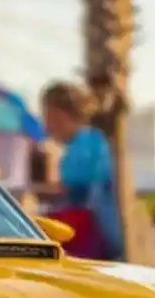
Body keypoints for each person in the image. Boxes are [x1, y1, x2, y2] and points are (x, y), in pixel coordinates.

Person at [40, 81, 123, 260]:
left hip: (99, 241)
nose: (45, 123)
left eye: (46, 114)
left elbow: (76, 193)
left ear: (59, 114)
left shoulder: (86, 144)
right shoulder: (91, 140)